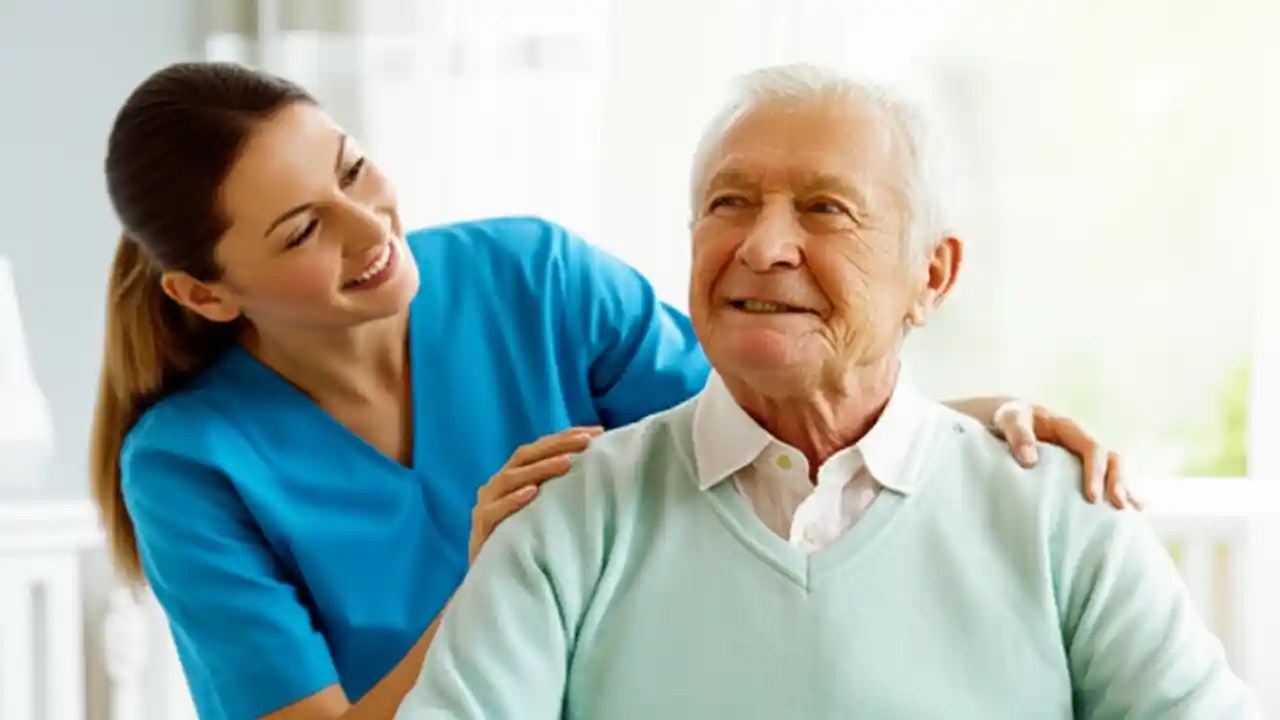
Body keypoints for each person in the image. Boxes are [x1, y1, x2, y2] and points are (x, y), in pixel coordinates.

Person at [92, 62, 1131, 720]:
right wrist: (486, 584)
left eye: (353, 170)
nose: (371, 229)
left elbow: (763, 416)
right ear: (205, 292)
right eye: (303, 230)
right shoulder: (190, 464)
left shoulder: (533, 278)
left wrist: (964, 427)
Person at [399, 65, 1257, 719]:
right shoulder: (566, 516)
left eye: (825, 209)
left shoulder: (1061, 513)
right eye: (730, 203)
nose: (763, 246)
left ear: (932, 274)